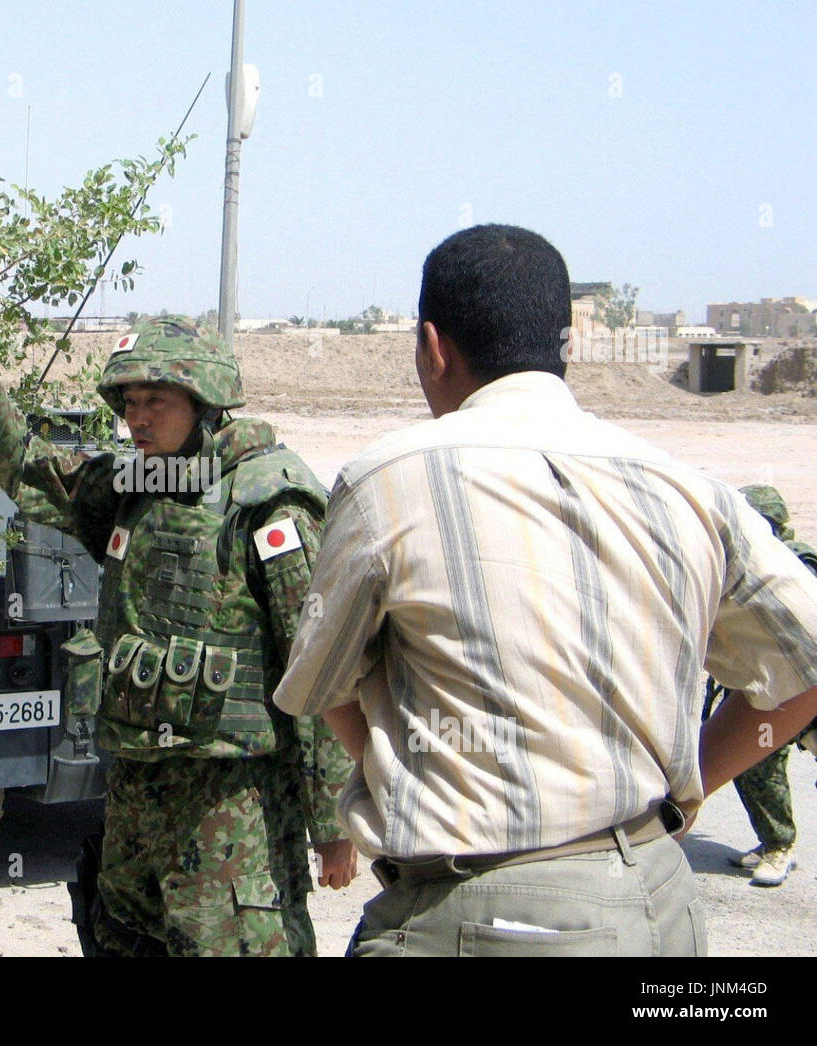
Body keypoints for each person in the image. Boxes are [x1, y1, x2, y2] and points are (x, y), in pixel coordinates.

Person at [274, 224, 817, 957]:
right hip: (657, 906)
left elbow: (323, 684)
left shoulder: (388, 481)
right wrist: (684, 803)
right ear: (564, 348)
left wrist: (409, 771)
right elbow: (805, 665)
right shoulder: (688, 488)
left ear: (433, 348)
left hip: (481, 916)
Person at [0, 268, 356, 956]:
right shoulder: (135, 485)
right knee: (124, 938)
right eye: (129, 401)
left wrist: (332, 821)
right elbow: (30, 466)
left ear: (203, 400)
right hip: (137, 797)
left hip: (231, 805)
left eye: (156, 401)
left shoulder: (268, 500)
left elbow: (316, 666)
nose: (136, 418)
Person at [703, 484, 817, 886]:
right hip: (765, 688)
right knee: (753, 764)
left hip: (798, 691)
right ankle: (773, 843)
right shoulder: (752, 563)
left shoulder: (796, 565)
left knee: (760, 765)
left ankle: (779, 848)